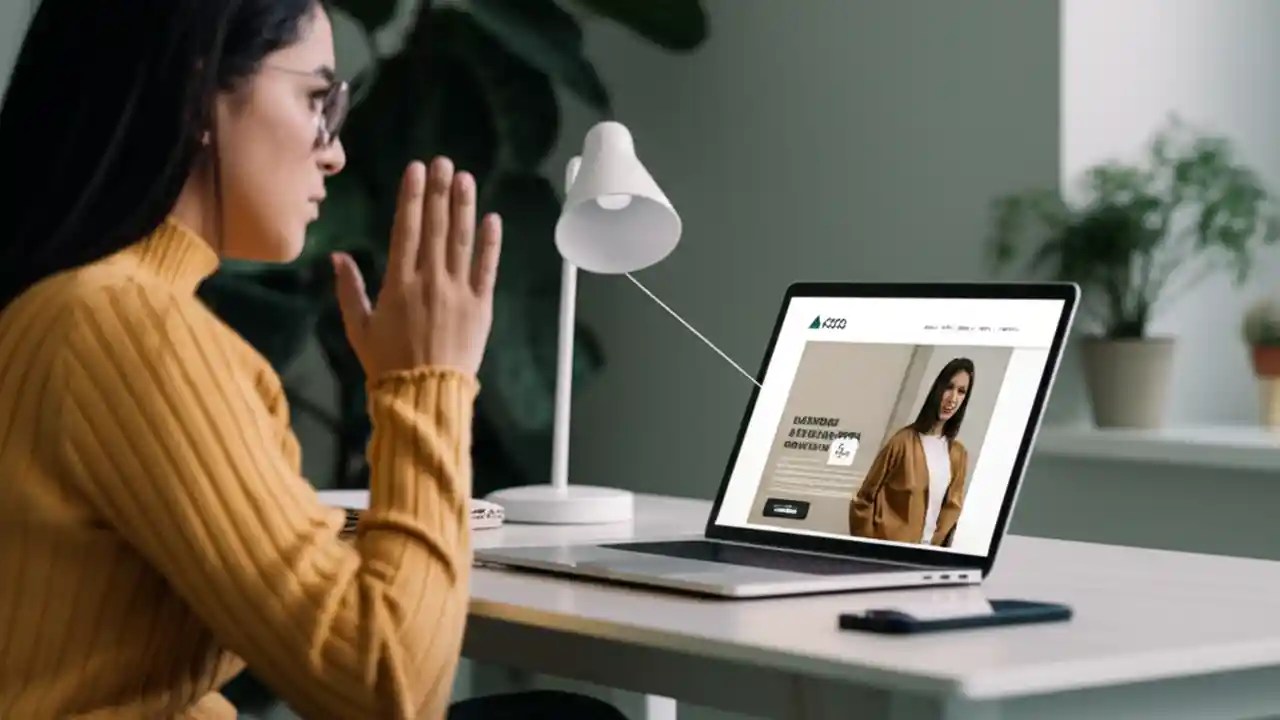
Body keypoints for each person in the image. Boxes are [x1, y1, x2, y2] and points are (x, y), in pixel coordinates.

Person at [0, 1, 624, 718]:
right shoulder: (129, 330)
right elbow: (388, 686)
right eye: (315, 100)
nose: (336, 150)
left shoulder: (65, 308)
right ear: (200, 99)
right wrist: (427, 384)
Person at [847, 358, 974, 546]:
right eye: (949, 387)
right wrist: (871, 547)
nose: (953, 399)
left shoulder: (958, 454)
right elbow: (863, 500)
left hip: (925, 557)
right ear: (937, 389)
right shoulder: (902, 442)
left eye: (961, 391)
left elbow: (952, 509)